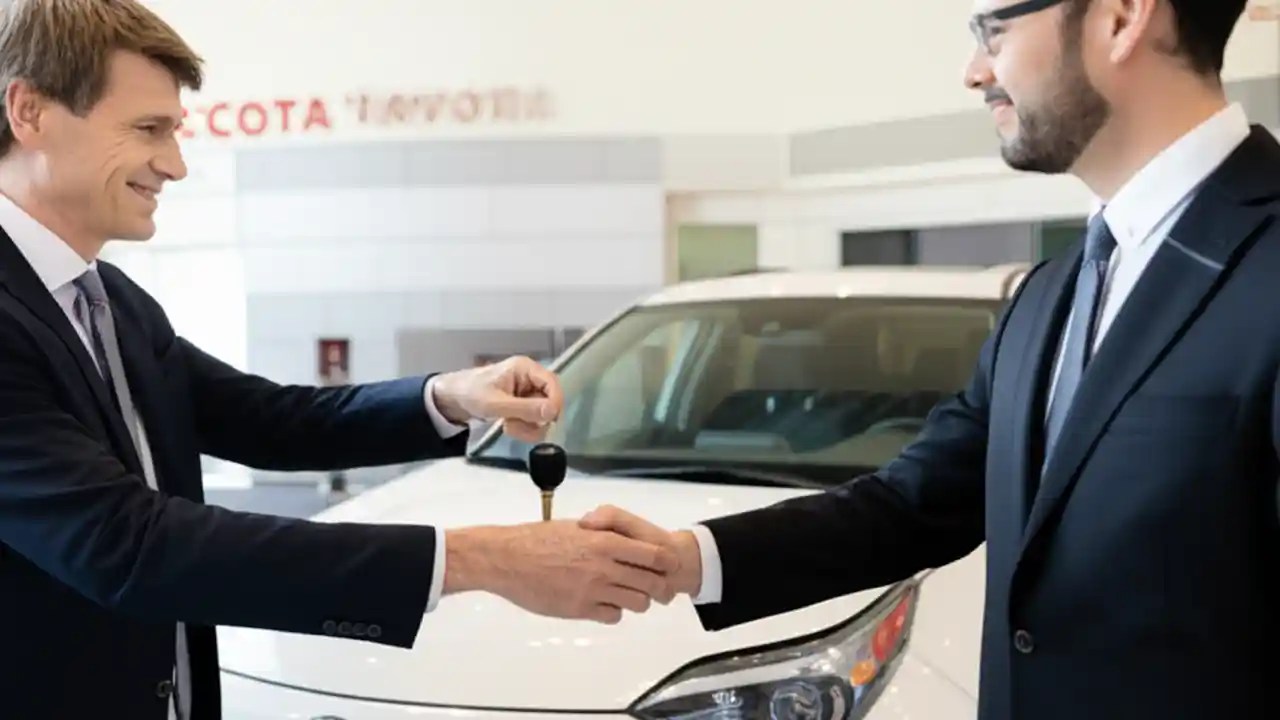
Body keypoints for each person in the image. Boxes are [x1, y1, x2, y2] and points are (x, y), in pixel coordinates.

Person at [582, 0, 1280, 717]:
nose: (974, 71)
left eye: (994, 31)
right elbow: (914, 504)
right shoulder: (1051, 293)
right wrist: (685, 560)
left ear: (1123, 17)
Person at [0, 2, 676, 719]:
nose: (175, 163)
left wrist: (452, 395)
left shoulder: (109, 300)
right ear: (30, 112)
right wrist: (483, 559)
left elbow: (267, 420)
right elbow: (130, 546)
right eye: (148, 129)